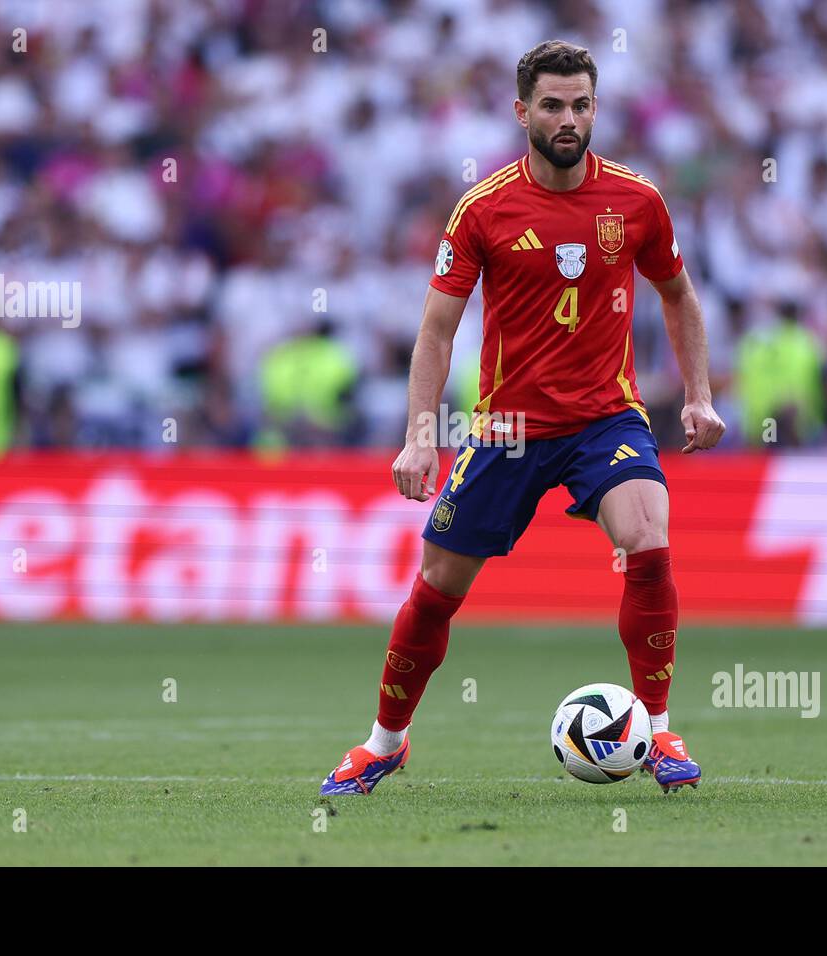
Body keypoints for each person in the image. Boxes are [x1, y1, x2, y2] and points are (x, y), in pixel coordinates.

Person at [320, 40, 725, 796]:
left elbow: (678, 294)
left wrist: (698, 394)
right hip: (508, 429)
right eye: (552, 105)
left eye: (580, 105)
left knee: (649, 536)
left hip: (608, 418)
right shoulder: (485, 208)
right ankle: (384, 742)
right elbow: (437, 330)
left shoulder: (637, 201)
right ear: (522, 112)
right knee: (437, 588)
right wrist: (418, 438)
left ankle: (661, 729)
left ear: (595, 110)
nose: (567, 119)